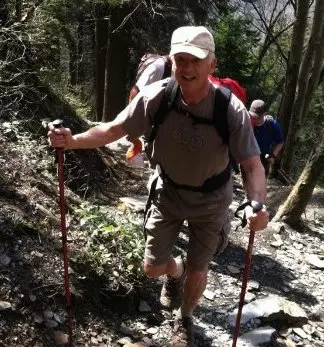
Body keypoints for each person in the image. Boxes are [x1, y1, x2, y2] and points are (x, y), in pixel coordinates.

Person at [48, 26, 269, 346]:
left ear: (212, 64)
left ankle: (186, 317)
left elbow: (252, 165)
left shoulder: (229, 109)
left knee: (199, 269)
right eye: (181, 59)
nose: (188, 68)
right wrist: (72, 141)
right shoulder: (157, 97)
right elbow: (113, 129)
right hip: (167, 191)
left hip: (212, 200)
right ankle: (174, 273)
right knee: (152, 267)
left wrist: (257, 204)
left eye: (196, 60)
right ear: (171, 60)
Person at [248, 99, 284, 177]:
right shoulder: (246, 120)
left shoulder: (272, 125)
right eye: (253, 117)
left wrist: (273, 155)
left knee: (261, 178)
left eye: (258, 117)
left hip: (264, 157)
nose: (255, 120)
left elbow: (280, 141)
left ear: (265, 114)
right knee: (247, 178)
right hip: (248, 155)